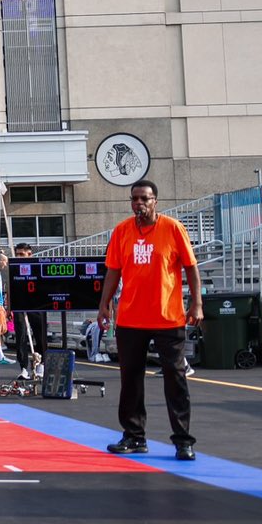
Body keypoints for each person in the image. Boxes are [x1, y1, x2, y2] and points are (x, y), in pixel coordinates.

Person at [98, 180, 203, 459]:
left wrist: (197, 303)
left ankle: (183, 441)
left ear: (155, 200)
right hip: (131, 319)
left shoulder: (172, 228)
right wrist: (104, 305)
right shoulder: (122, 232)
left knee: (175, 379)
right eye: (134, 199)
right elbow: (113, 272)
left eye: (144, 198)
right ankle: (134, 437)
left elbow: (191, 268)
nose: (139, 203)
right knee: (130, 379)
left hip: (168, 318)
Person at [10, 242, 47, 370]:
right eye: (17, 254)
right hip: (19, 305)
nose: (19, 257)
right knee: (20, 335)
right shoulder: (13, 267)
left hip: (36, 305)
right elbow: (10, 289)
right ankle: (24, 367)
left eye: (22, 254)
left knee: (40, 334)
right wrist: (10, 307)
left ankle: (41, 364)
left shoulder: (37, 266)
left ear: (29, 254)